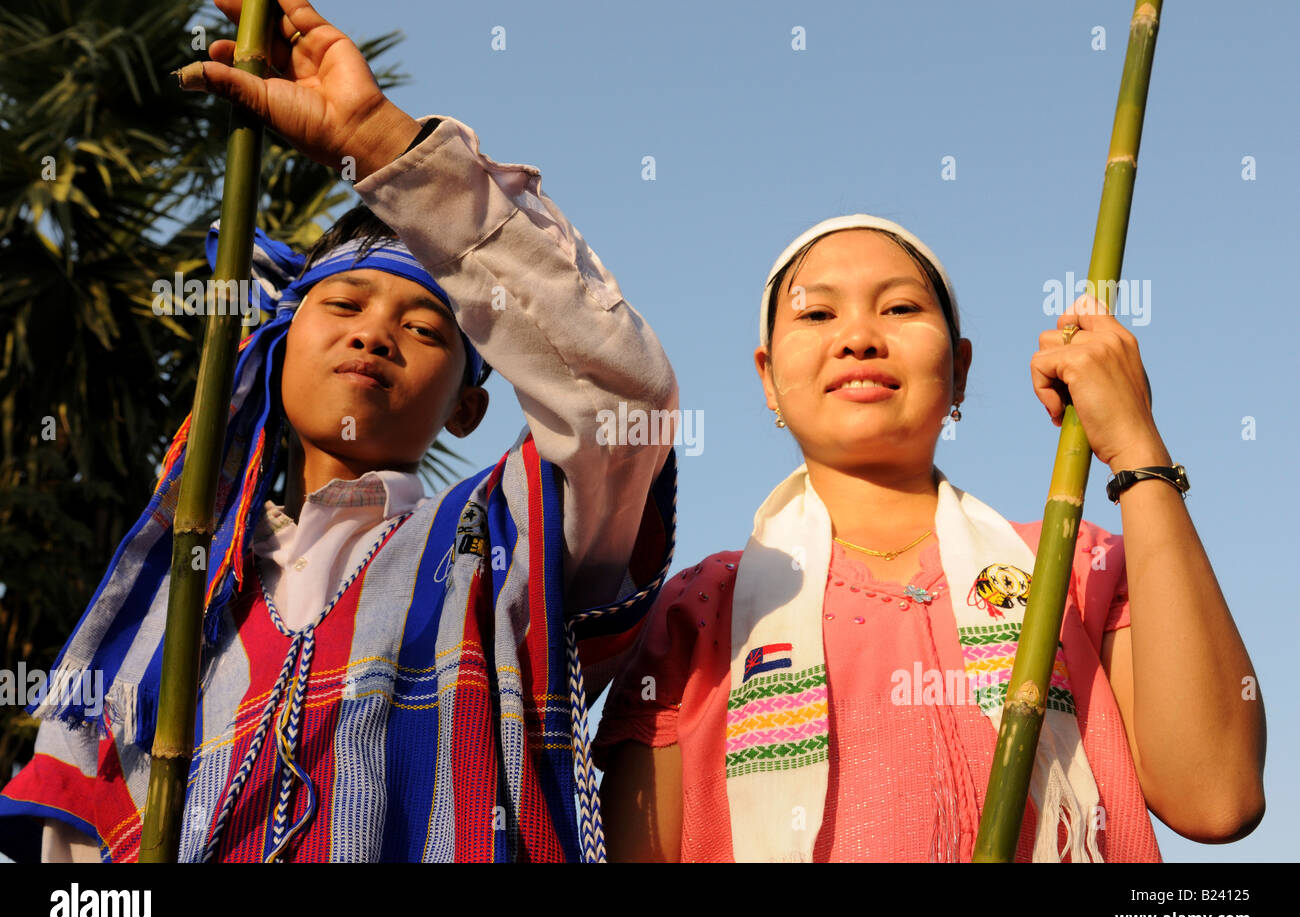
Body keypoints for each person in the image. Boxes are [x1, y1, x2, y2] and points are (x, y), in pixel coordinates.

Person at [0, 0, 677, 862]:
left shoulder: (509, 537)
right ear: (277, 351)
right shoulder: (176, 608)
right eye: (345, 304)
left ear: (469, 406)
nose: (372, 334)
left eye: (425, 328)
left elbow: (624, 394)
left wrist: (379, 139)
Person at [594, 214, 1266, 862]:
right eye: (818, 313)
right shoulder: (698, 613)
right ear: (768, 377)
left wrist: (1135, 444)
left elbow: (1217, 797)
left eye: (901, 308)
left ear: (962, 370)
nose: (858, 337)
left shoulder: (1071, 565)